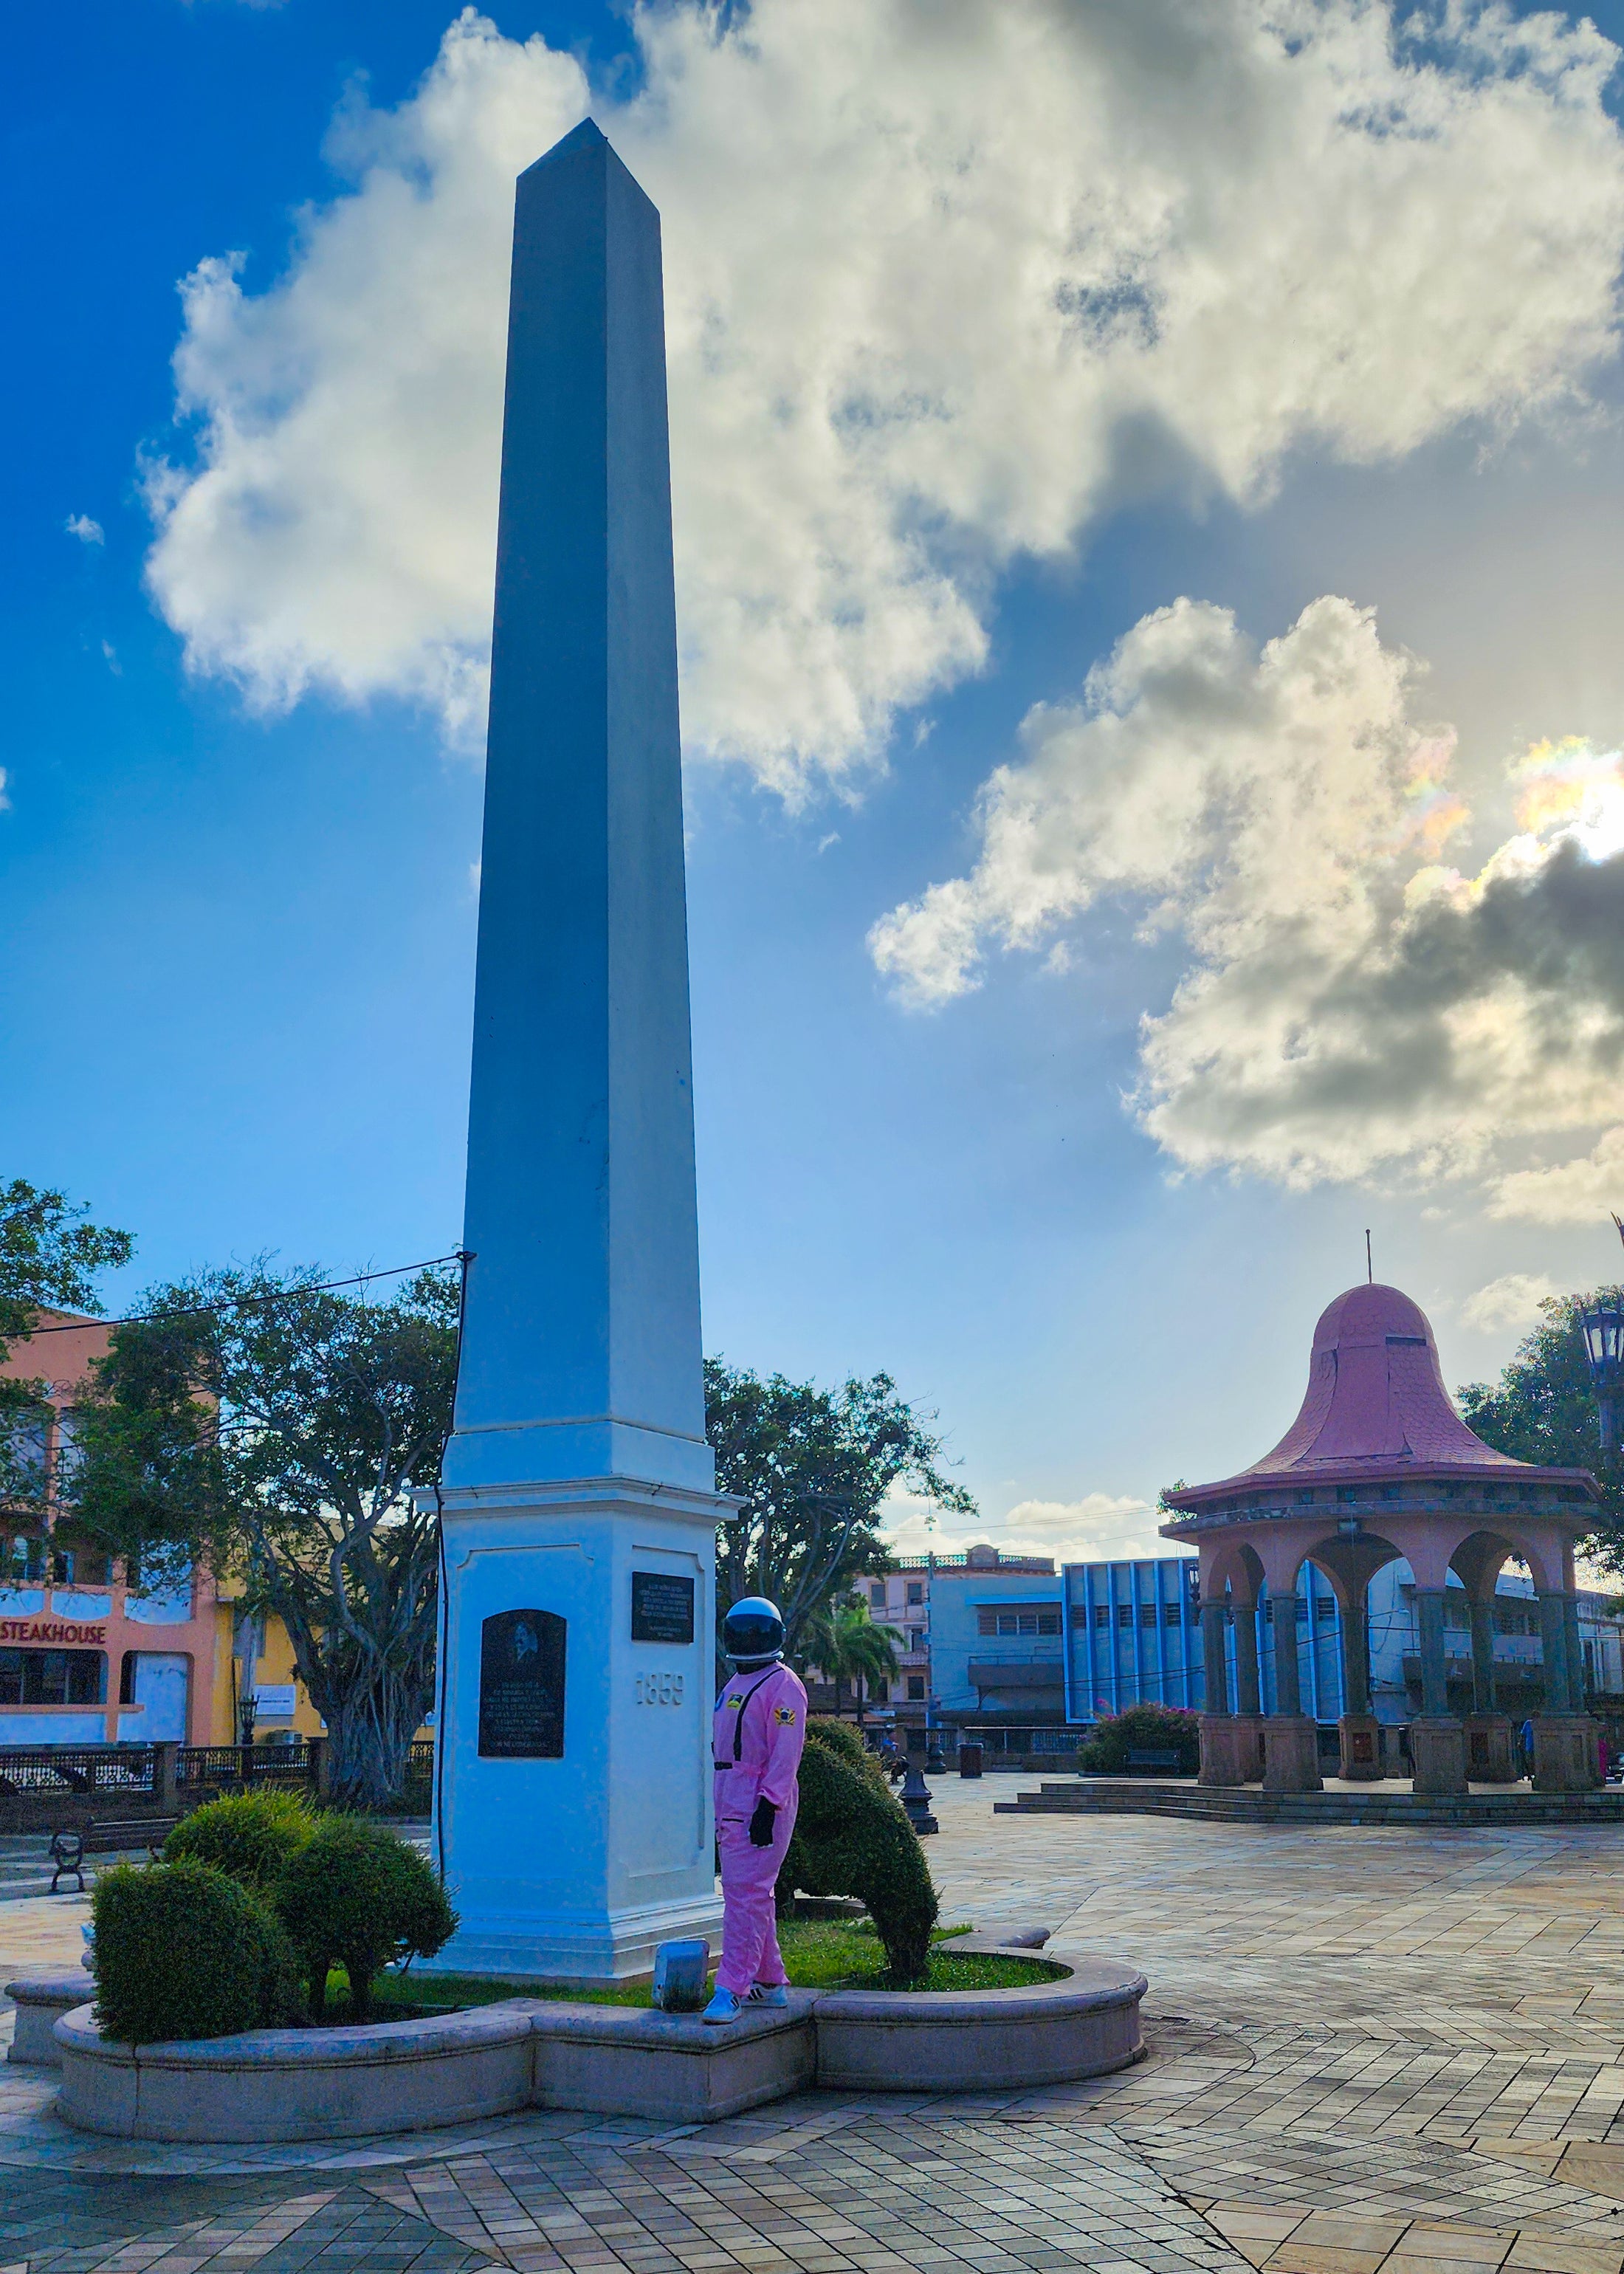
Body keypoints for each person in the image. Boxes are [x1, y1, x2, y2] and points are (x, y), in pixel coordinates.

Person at [703, 1597, 808, 2026]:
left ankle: (731, 1987)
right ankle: (770, 1982)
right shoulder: (737, 1683)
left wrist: (770, 1803)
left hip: (760, 1799)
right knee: (747, 1893)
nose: (747, 1640)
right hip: (730, 1793)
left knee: (745, 1895)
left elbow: (786, 1752)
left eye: (754, 1631)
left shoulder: (783, 1685)